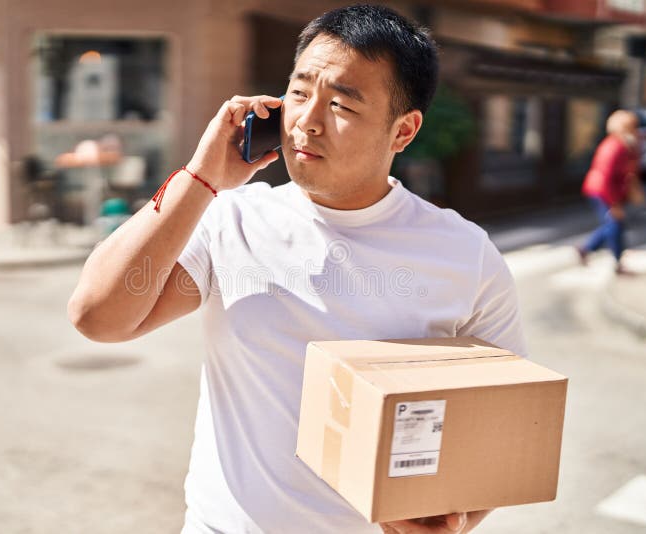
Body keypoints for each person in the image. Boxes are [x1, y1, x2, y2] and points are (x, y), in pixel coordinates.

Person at [68, 5, 526, 533]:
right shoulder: (233, 219)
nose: (308, 121)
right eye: (301, 92)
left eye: (341, 105)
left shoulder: (465, 254)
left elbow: (504, 424)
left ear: (403, 132)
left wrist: (454, 520)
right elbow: (98, 316)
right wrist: (200, 178)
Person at [577, 109, 643, 275]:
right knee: (614, 224)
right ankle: (615, 261)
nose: (636, 130)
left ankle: (586, 249)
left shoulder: (627, 145)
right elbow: (606, 176)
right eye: (632, 127)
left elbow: (630, 172)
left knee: (612, 225)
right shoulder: (614, 147)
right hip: (602, 191)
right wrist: (614, 204)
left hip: (610, 191)